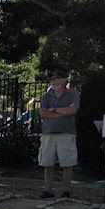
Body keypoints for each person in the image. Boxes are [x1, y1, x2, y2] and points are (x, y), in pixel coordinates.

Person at [38, 70, 80, 198]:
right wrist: (63, 111)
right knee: (47, 163)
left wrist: (54, 110)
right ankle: (48, 190)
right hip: (48, 133)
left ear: (64, 80)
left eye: (57, 78)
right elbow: (43, 114)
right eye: (52, 79)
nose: (54, 81)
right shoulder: (46, 96)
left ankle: (66, 190)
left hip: (66, 132)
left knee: (67, 163)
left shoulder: (73, 94)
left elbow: (73, 110)